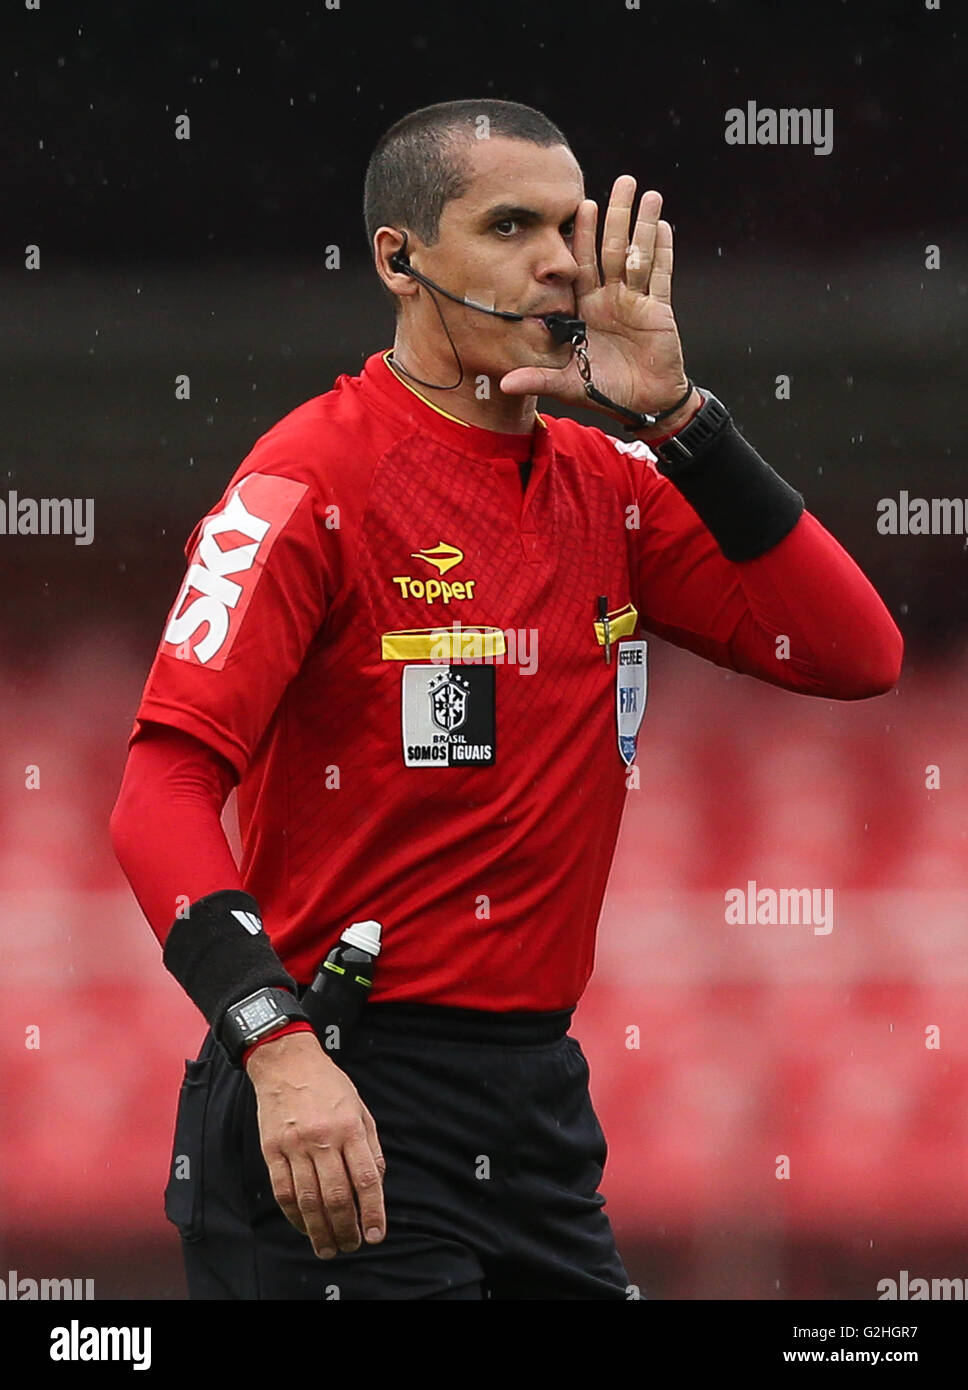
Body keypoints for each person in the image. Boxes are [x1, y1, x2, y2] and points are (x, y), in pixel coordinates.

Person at [110, 97, 903, 1300]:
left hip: (535, 1108)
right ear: (399, 259)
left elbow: (855, 652)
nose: (556, 261)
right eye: (510, 224)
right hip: (342, 1095)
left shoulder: (612, 484)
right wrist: (273, 1046)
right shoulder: (304, 479)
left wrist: (682, 421)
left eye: (573, 228)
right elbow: (156, 795)